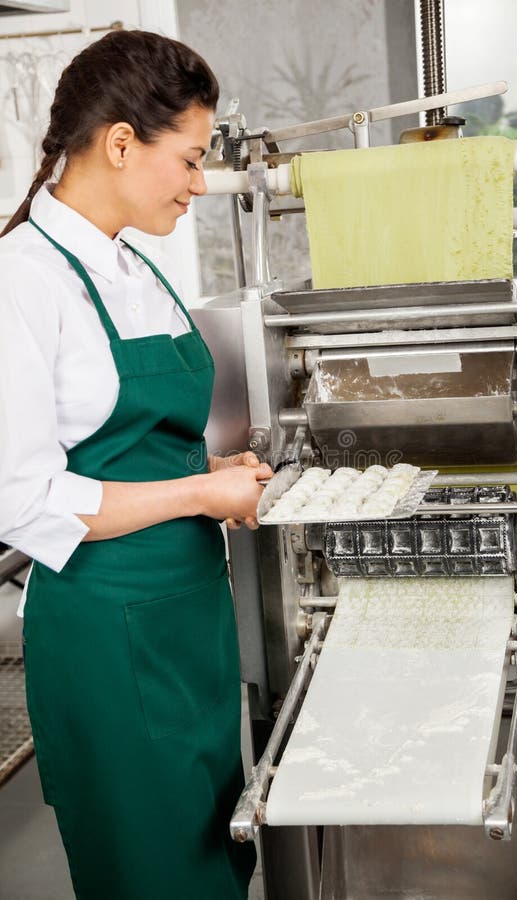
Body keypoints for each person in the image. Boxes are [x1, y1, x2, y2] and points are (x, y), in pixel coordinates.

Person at [0, 29, 270, 900]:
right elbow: (21, 498)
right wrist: (200, 489)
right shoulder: (21, 282)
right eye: (189, 159)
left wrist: (211, 465)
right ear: (121, 143)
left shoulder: (134, 266)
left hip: (188, 625)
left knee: (210, 858)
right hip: (108, 636)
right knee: (151, 875)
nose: (199, 183)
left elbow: (144, 443)